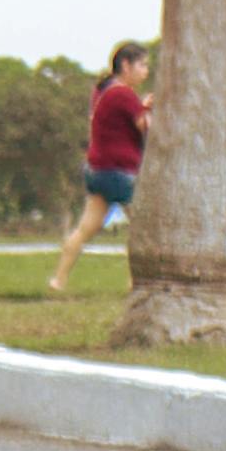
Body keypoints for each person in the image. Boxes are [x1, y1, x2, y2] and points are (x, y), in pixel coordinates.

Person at [48, 43, 150, 293]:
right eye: (143, 65)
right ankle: (135, 284)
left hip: (97, 170)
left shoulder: (103, 90)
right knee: (145, 228)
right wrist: (148, 108)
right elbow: (146, 126)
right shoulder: (123, 94)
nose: (146, 71)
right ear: (126, 65)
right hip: (120, 171)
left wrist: (143, 104)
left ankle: (58, 280)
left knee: (85, 229)